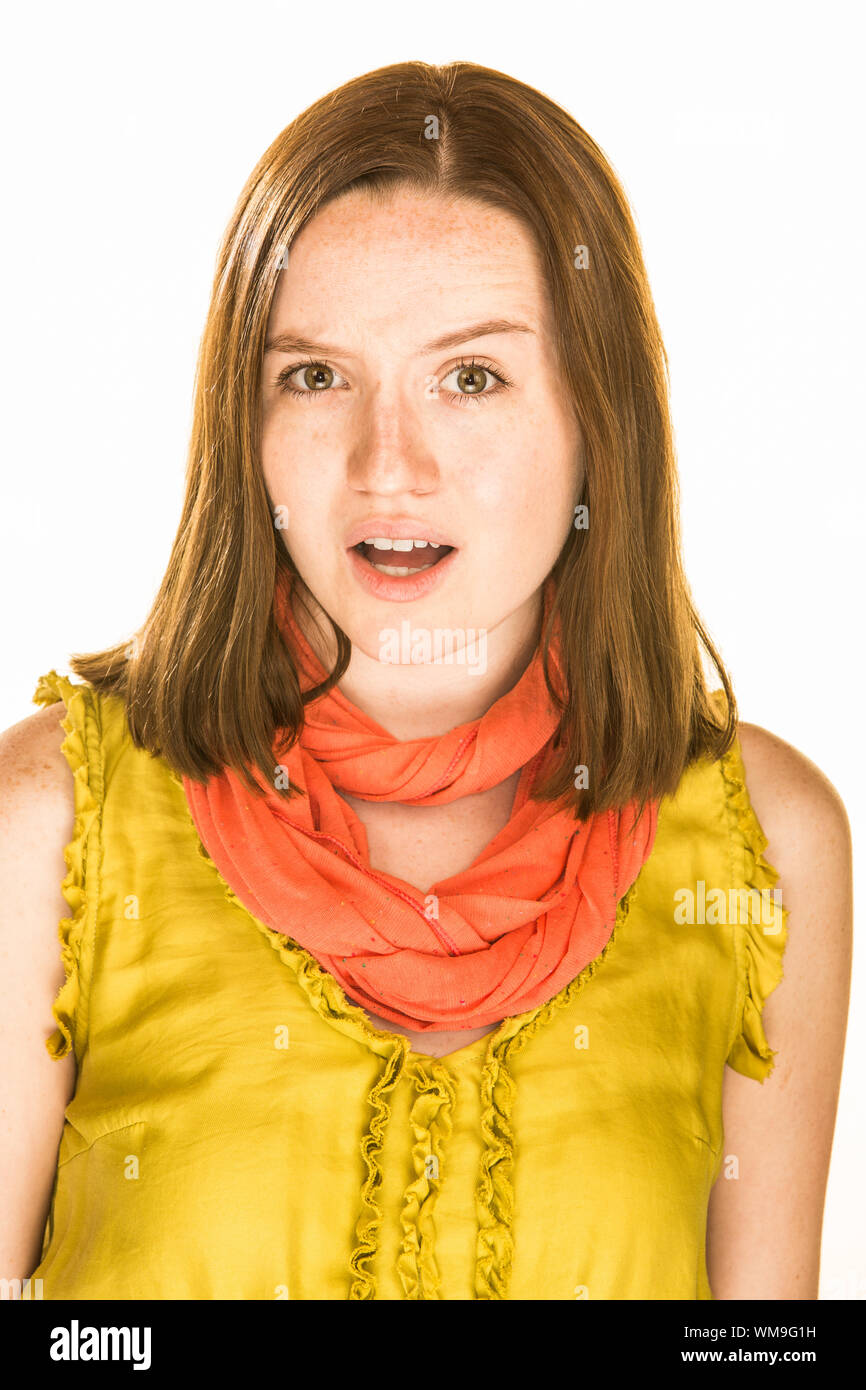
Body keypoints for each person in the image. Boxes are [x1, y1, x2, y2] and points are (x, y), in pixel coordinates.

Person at [0, 60, 851, 1301]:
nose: (385, 465)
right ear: (242, 420)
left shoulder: (764, 846)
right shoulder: (50, 823)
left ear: (592, 417)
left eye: (469, 378)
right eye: (314, 375)